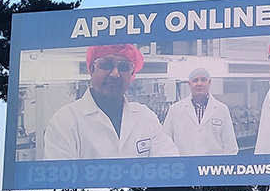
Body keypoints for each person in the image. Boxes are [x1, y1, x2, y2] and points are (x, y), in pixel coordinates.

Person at [43, 44, 178, 160]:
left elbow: (169, 166)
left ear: (132, 74)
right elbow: (60, 181)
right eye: (106, 65)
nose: (115, 74)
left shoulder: (145, 117)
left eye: (124, 67)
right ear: (91, 69)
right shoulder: (65, 120)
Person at [162, 68, 239, 156]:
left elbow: (230, 147)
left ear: (209, 82)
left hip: (211, 167)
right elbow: (165, 143)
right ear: (189, 84)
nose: (199, 84)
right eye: (195, 80)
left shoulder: (222, 109)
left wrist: (221, 167)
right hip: (184, 166)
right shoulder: (175, 110)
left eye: (203, 80)